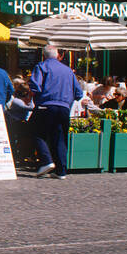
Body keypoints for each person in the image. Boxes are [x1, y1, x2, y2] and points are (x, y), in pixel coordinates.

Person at [28, 42, 82, 178]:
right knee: (60, 138)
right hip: (64, 108)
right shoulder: (68, 71)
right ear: (58, 55)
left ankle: (46, 161)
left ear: (43, 55)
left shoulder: (41, 66)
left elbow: (35, 86)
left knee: (35, 131)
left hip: (46, 105)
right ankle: (61, 171)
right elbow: (79, 93)